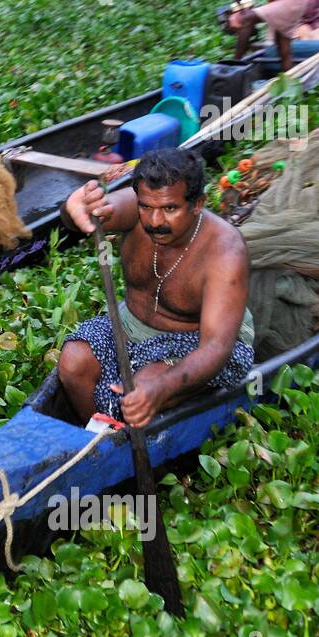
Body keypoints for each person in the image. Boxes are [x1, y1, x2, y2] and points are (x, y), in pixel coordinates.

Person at [57, 149, 253, 428]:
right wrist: (74, 208)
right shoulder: (135, 207)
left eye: (170, 209)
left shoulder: (224, 251)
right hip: (130, 325)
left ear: (197, 204)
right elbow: (90, 214)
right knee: (73, 362)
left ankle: (128, 434)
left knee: (140, 390)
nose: (155, 221)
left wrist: (160, 389)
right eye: (146, 207)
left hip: (198, 340)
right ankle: (97, 442)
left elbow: (216, 347)